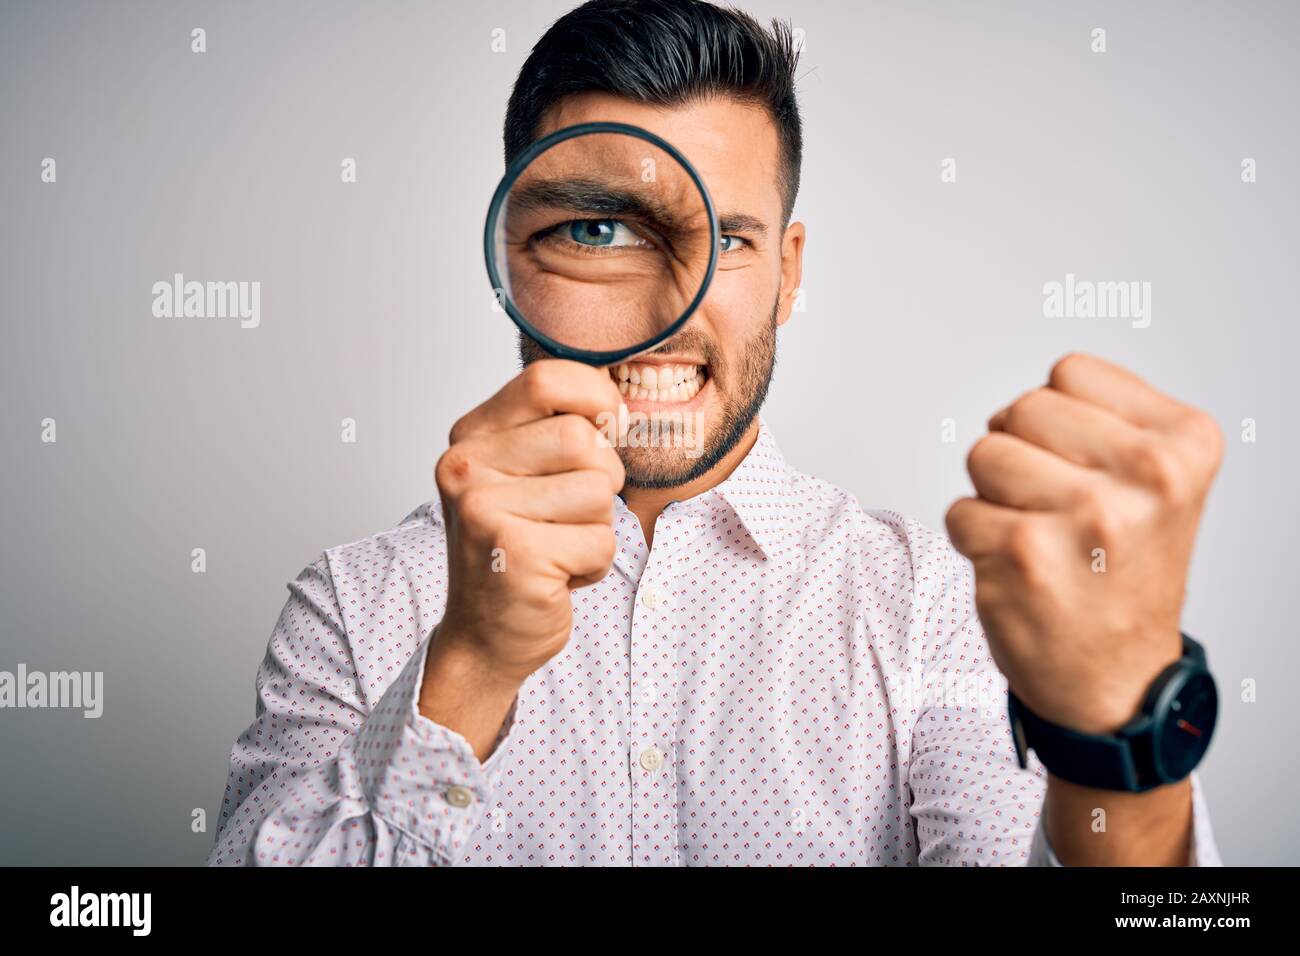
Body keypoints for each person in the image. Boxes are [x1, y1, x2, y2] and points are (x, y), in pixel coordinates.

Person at [208, 0, 1224, 866]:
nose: (673, 306)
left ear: (786, 270)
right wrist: (468, 665)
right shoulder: (352, 604)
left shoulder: (929, 602)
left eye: (726, 240)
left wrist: (1114, 739)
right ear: (513, 257)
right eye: (597, 230)